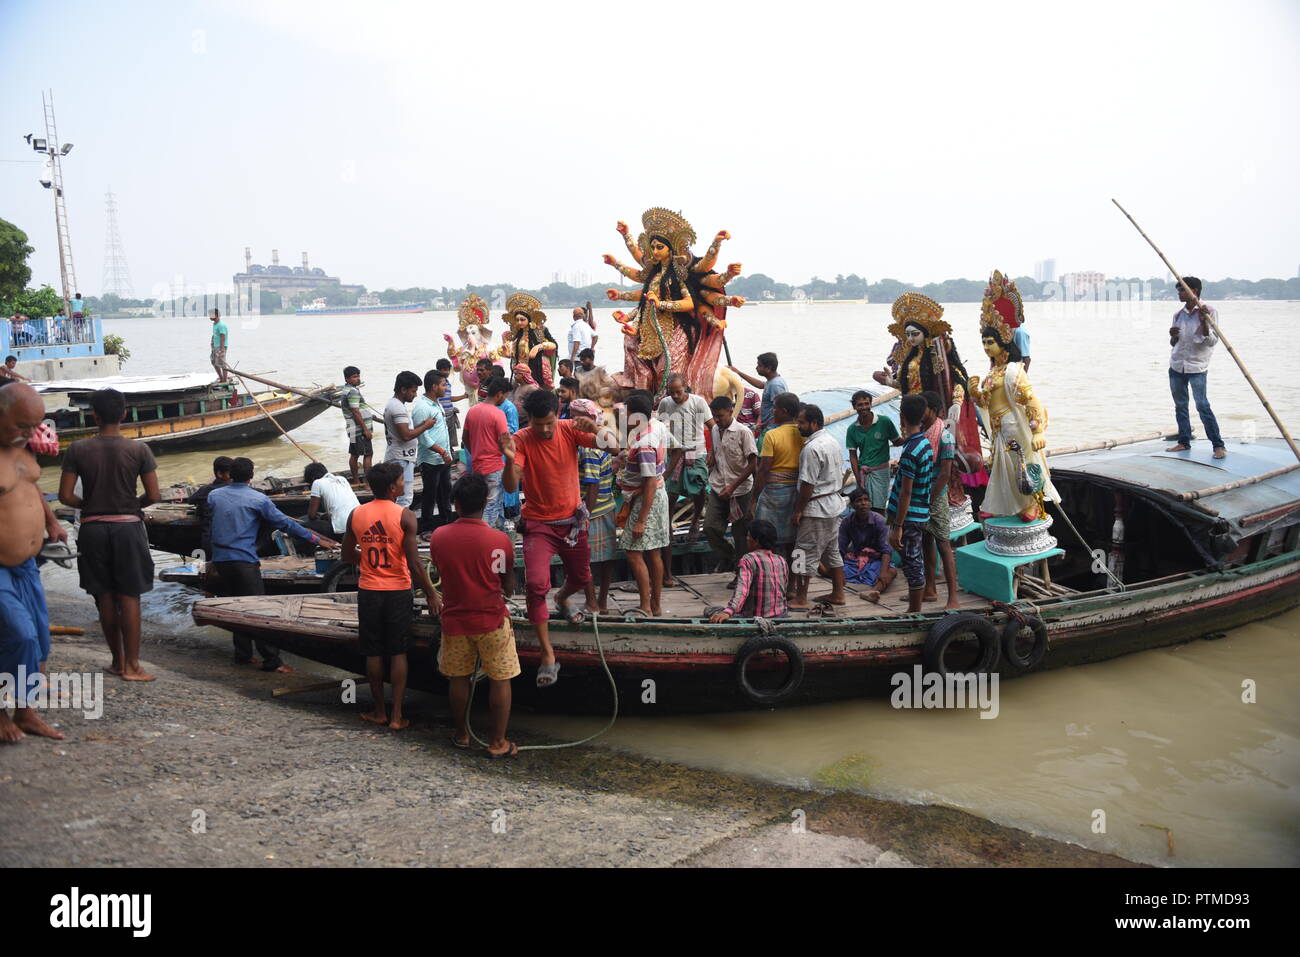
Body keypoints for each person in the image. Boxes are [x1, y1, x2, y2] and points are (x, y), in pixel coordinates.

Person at [499, 388, 611, 685]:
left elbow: (616, 447)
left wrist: (597, 429)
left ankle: (562, 598)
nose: (545, 430)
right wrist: (509, 460)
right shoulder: (521, 439)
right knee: (536, 586)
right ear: (530, 420)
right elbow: (511, 487)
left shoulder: (570, 428)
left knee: (582, 577)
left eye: (549, 422)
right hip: (539, 524)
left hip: (572, 523)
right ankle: (548, 655)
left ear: (557, 412)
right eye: (539, 425)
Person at [58, 387, 161, 682]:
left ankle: (117, 662)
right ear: (125, 413)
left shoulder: (78, 449)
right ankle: (133, 666)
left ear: (95, 414)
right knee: (129, 595)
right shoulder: (139, 450)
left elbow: (65, 496)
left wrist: (89, 505)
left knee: (104, 595)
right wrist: (132, 505)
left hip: (92, 528)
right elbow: (153, 494)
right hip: (128, 527)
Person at [208, 457, 339, 670]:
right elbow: (286, 524)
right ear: (251, 476)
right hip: (243, 561)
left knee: (236, 607)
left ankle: (243, 655)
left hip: (221, 559)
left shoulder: (214, 496)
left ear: (230, 475)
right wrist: (317, 539)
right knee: (260, 610)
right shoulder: (258, 499)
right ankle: (272, 661)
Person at [342, 462, 439, 731]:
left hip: (369, 590)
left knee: (372, 651)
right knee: (398, 652)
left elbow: (347, 555)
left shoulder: (356, 514)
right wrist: (431, 594)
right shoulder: (405, 515)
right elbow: (415, 564)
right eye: (401, 481)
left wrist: (368, 558)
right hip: (397, 591)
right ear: (392, 487)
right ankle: (397, 716)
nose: (404, 484)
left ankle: (379, 711)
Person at [0, 383, 69, 742]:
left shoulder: (24, 445)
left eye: (34, 425)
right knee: (15, 636)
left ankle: (26, 712)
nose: (29, 434)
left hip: (28, 565)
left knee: (39, 642)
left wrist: (52, 521)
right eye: (21, 426)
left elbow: (29, 489)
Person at [434, 474, 519, 757]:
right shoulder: (500, 540)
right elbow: (508, 585)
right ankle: (498, 742)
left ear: (455, 504)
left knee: (458, 679)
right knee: (500, 679)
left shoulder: (439, 537)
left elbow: (442, 574)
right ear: (485, 503)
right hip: (492, 619)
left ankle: (462, 734)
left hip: (456, 620)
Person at [617, 391, 671, 617]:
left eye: (627, 413)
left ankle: (646, 605)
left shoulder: (645, 442)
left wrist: (640, 520)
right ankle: (655, 605)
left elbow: (648, 481)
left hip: (646, 498)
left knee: (633, 551)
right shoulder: (656, 426)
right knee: (653, 552)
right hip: (656, 493)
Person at [789, 403, 847, 609]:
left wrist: (798, 510)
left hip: (817, 508)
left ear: (814, 423)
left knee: (802, 552)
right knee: (832, 551)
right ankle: (838, 593)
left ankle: (800, 597)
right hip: (833, 505)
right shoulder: (831, 441)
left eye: (802, 422)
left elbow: (807, 483)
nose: (798, 426)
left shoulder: (812, 448)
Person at [658, 373, 712, 583]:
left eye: (679, 392)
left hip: (696, 452)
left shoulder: (698, 402)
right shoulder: (665, 403)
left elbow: (712, 426)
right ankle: (668, 526)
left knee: (698, 490)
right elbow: (662, 427)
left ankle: (695, 519)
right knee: (670, 493)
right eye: (672, 393)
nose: (676, 396)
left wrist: (714, 452)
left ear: (686, 388)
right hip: (674, 454)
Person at [1166, 275, 1226, 460]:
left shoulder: (1209, 311)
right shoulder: (1178, 315)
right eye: (1178, 290)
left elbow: (1213, 341)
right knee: (1180, 406)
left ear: (1194, 291)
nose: (1179, 293)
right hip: (1177, 366)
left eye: (1182, 290)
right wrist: (1173, 336)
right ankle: (1184, 441)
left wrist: (1204, 324)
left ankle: (1218, 445)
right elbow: (1174, 343)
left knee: (1202, 406)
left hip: (1197, 367)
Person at [886, 395, 934, 613]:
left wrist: (898, 525)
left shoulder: (910, 450)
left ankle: (914, 611)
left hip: (910, 516)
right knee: (915, 559)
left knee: (912, 562)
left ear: (902, 417)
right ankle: (916, 607)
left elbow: (906, 491)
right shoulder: (924, 443)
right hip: (920, 512)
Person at [572, 398, 617, 614]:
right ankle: (603, 601)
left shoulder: (588, 445)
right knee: (605, 558)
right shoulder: (603, 435)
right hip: (607, 506)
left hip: (594, 510)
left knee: (585, 559)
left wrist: (585, 515)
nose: (571, 420)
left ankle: (592, 602)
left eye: (574, 415)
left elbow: (592, 484)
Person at [704, 393, 757, 573]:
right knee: (710, 527)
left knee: (740, 533)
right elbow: (716, 452)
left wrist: (733, 486)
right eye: (715, 416)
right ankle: (730, 555)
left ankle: (740, 573)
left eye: (721, 416)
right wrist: (711, 457)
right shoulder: (714, 430)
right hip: (719, 486)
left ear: (730, 411)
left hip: (740, 490)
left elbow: (752, 464)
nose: (717, 420)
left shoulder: (743, 432)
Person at [920, 391, 961, 610]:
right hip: (923, 493)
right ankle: (930, 589)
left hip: (936, 496)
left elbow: (945, 473)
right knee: (925, 542)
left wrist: (930, 499)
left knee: (943, 544)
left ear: (933, 411)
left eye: (923, 408)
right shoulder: (922, 433)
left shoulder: (945, 437)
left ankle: (953, 596)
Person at [751, 391, 804, 556]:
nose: (772, 411)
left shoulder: (771, 435)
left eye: (775, 408)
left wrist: (753, 499)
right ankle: (792, 581)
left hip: (773, 492)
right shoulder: (803, 433)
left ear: (785, 411)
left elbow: (764, 469)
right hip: (795, 491)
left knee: (765, 538)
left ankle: (769, 573)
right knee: (792, 542)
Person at [707, 520, 788, 623]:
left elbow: (742, 590)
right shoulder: (781, 560)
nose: (747, 539)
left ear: (756, 540)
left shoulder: (748, 559)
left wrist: (728, 611)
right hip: (780, 615)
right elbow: (783, 590)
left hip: (756, 618)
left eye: (749, 536)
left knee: (710, 611)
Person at [463, 375, 511, 530]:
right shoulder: (498, 414)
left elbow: (465, 438)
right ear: (500, 394)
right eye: (505, 396)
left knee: (485, 502)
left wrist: (476, 452)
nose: (505, 399)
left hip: (477, 464)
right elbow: (505, 441)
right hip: (494, 466)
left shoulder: (472, 410)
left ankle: (498, 531)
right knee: (491, 503)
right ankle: (483, 534)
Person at [383, 370, 435, 510]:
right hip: (401, 458)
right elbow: (406, 436)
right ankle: (400, 528)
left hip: (399, 456)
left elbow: (405, 431)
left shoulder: (394, 404)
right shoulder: (397, 407)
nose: (415, 394)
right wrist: (426, 426)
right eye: (413, 391)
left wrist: (422, 425)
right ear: (403, 389)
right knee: (404, 498)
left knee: (398, 496)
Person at [412, 370, 454, 534]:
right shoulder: (422, 407)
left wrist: (446, 452)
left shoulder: (437, 403)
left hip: (442, 458)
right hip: (430, 459)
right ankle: (427, 528)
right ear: (434, 386)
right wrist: (443, 452)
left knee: (446, 492)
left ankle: (447, 523)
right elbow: (423, 438)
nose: (446, 387)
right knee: (430, 495)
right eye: (443, 384)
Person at [845, 389, 900, 509]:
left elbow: (897, 441)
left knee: (879, 507)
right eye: (860, 405)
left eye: (866, 404)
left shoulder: (884, 422)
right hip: (863, 472)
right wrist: (858, 478)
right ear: (854, 407)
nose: (864, 407)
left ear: (871, 404)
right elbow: (853, 456)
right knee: (863, 508)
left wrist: (912, 435)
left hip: (881, 471)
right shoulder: (852, 429)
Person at [839, 487, 896, 601]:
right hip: (856, 559)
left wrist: (883, 572)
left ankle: (873, 592)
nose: (863, 503)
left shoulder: (879, 520)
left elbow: (886, 550)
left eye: (866, 500)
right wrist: (838, 570)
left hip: (877, 560)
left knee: (891, 572)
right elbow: (841, 548)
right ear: (852, 505)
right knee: (835, 570)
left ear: (870, 503)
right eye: (859, 500)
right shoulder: (847, 521)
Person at [729, 352, 786, 440]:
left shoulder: (776, 385)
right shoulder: (771, 381)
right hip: (767, 426)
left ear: (768, 368)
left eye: (759, 365)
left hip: (772, 428)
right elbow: (760, 385)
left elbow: (780, 409)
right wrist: (739, 372)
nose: (756, 368)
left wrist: (764, 424)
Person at [188, 455, 233, 559]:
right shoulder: (234, 488)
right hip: (230, 541)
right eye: (230, 473)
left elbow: (191, 500)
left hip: (210, 541)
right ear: (220, 474)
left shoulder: (206, 490)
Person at [304, 461, 360, 540]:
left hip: (343, 531)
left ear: (312, 479)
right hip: (360, 525)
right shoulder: (342, 479)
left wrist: (319, 516)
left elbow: (311, 516)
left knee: (302, 526)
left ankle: (330, 542)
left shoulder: (317, 483)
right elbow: (341, 507)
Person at [340, 366, 377, 483]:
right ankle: (367, 483)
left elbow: (357, 409)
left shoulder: (346, 390)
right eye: (354, 377)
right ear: (347, 379)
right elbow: (355, 411)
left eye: (358, 376)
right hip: (359, 430)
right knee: (368, 454)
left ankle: (356, 481)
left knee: (354, 454)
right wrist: (365, 430)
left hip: (352, 428)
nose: (357, 379)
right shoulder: (353, 391)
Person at [434, 357, 465, 454]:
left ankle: (450, 450)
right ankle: (443, 451)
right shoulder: (436, 384)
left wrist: (464, 396)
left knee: (451, 435)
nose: (445, 372)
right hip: (441, 415)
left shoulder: (447, 383)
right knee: (441, 435)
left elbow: (449, 398)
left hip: (450, 413)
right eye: (442, 369)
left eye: (447, 370)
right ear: (437, 370)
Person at [209, 308, 229, 382]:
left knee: (222, 364)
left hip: (221, 346)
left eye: (211, 315)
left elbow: (222, 337)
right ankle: (221, 378)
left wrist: (221, 350)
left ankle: (224, 380)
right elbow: (214, 335)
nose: (209, 317)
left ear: (216, 315)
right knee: (214, 362)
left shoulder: (221, 325)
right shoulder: (215, 324)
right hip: (215, 346)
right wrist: (212, 343)